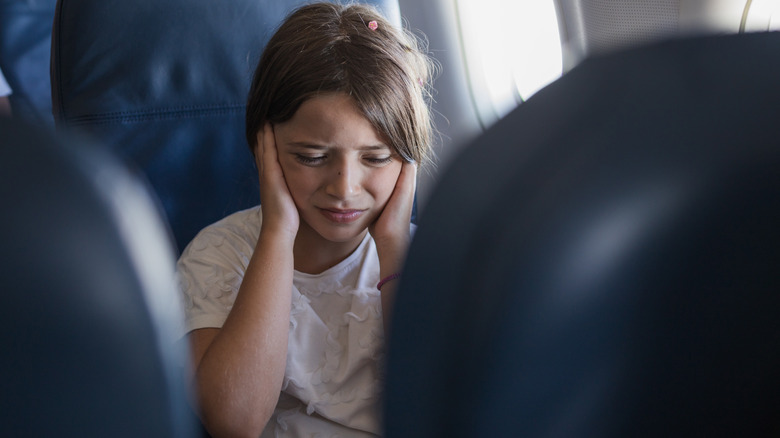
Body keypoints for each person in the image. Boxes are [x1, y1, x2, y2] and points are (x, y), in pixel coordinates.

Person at [176, 2, 435, 437]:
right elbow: (233, 422)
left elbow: (437, 407)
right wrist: (278, 234)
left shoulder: (427, 257)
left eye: (375, 158)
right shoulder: (219, 254)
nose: (344, 188)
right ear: (265, 143)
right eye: (312, 157)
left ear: (408, 159)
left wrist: (392, 245)